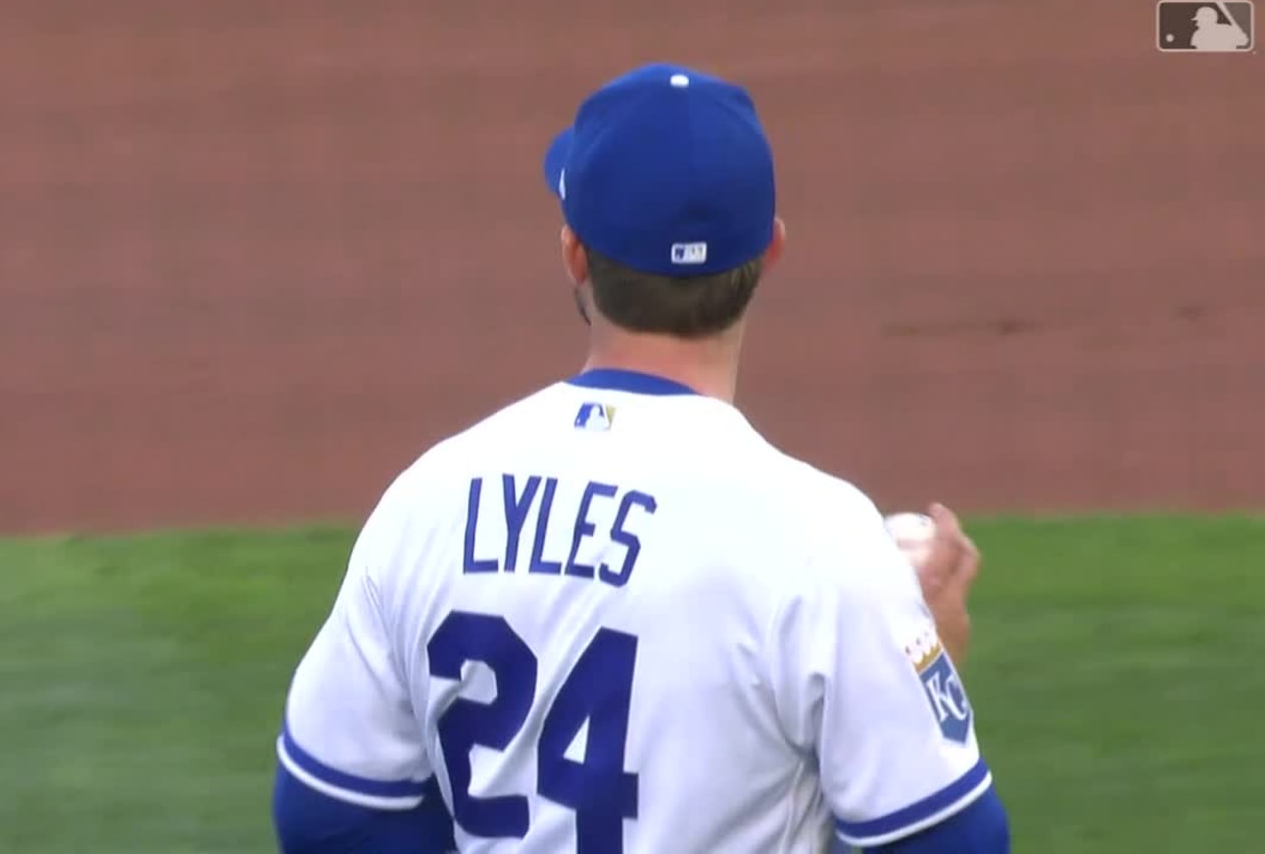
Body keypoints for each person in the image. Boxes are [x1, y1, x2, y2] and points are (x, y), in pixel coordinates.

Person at [271, 62, 1010, 853]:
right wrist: (917, 665)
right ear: (770, 251)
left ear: (574, 254)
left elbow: (329, 817)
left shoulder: (429, 502)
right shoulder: (823, 547)